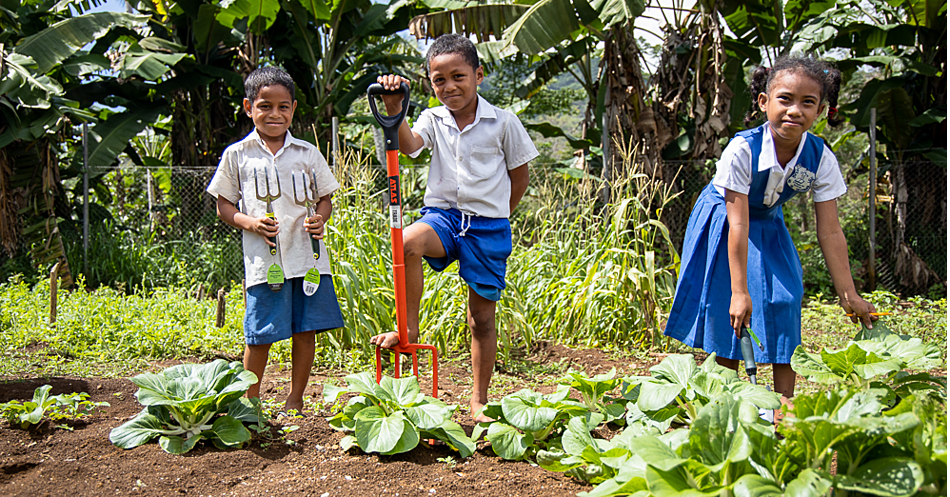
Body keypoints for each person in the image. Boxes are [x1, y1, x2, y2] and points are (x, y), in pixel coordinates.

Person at [663, 56, 877, 415]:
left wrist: (849, 293)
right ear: (764, 103)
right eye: (785, 99)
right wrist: (739, 291)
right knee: (728, 310)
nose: (795, 110)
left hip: (768, 221)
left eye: (808, 103)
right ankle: (725, 405)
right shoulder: (743, 149)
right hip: (725, 220)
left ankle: (783, 409)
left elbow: (830, 229)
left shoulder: (818, 157)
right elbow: (739, 224)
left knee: (785, 300)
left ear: (821, 110)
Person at [371, 34, 539, 422]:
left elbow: (519, 177)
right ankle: (407, 331)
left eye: (458, 76)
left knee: (481, 318)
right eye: (439, 80)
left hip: (488, 226)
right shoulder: (432, 118)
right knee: (407, 241)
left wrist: (500, 216)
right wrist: (394, 109)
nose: (449, 87)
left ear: (478, 74)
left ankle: (478, 399)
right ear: (430, 83)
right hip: (444, 217)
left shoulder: (504, 122)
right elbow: (409, 145)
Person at [207, 66, 344, 413]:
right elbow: (224, 206)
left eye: (283, 107)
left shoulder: (307, 153)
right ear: (248, 107)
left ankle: (295, 400)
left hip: (307, 258)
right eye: (265, 106)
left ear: (294, 109)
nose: (274, 114)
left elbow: (325, 197)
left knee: (305, 329)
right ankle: (249, 402)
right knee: (260, 333)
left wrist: (320, 218)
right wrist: (251, 222)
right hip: (263, 262)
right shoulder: (238, 155)